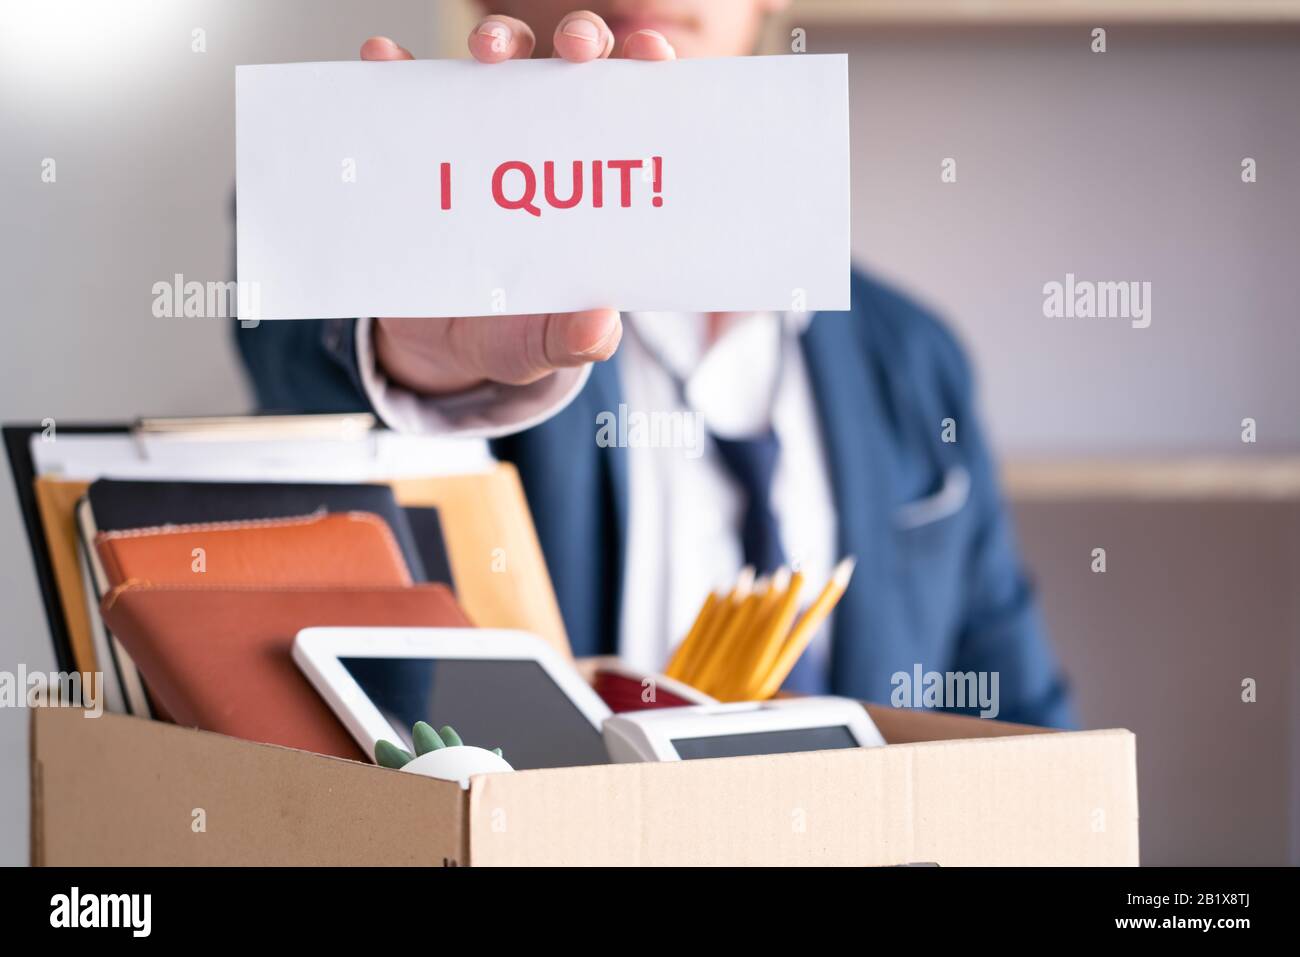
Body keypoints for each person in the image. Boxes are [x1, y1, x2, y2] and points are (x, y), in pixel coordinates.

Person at [235, 2, 1075, 727]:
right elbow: (297, 345)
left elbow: (1022, 727)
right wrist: (410, 356)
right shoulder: (407, 241)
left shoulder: (915, 356)